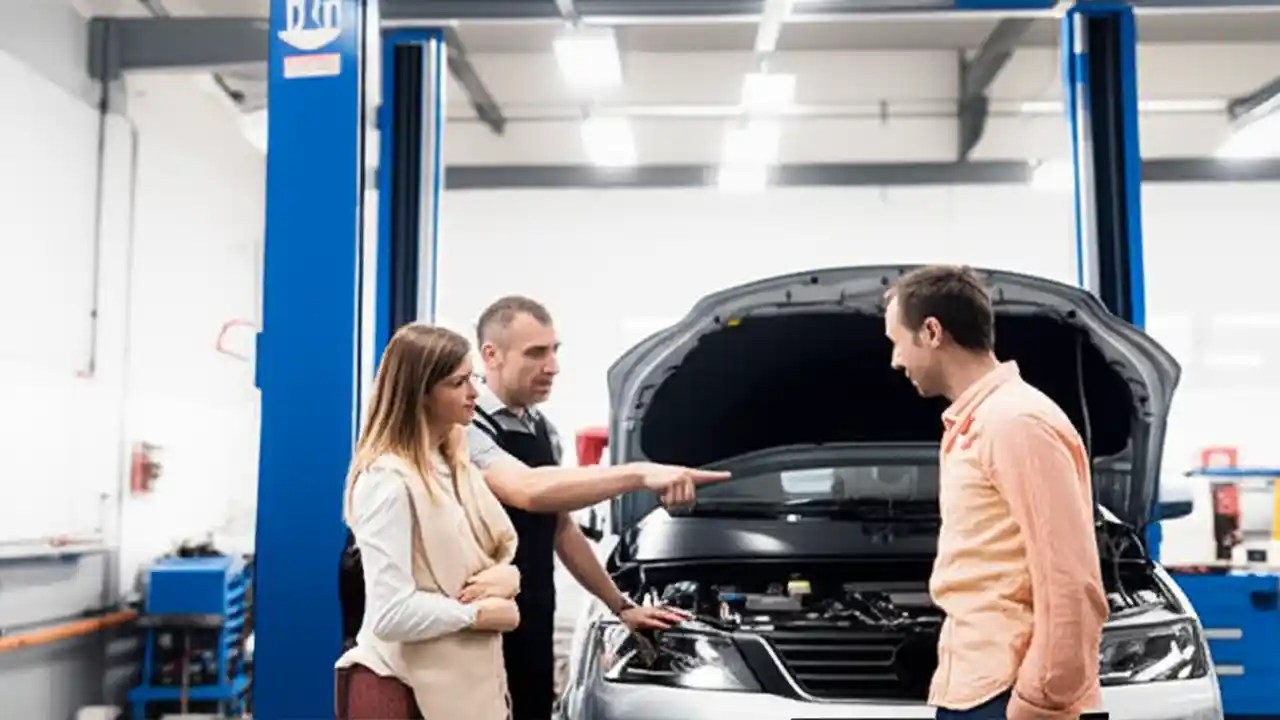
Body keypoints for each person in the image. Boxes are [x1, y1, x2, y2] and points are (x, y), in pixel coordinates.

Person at [467, 295, 725, 720]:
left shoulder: (541, 429)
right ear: (490, 355)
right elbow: (529, 490)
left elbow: (561, 529)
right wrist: (639, 474)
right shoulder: (467, 427)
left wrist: (621, 605)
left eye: (554, 351)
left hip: (534, 613)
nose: (552, 366)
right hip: (479, 622)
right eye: (536, 353)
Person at [882, 266, 1107, 720]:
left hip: (1009, 697)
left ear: (931, 331)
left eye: (896, 341)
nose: (895, 360)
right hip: (977, 687)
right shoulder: (982, 421)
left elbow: (1069, 577)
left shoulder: (1015, 424)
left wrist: (1042, 698)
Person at [335, 324, 522, 720]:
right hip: (408, 691)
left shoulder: (455, 466)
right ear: (420, 392)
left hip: (468, 690)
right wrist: (476, 614)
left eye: (472, 377)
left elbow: (486, 554)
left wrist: (509, 577)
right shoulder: (388, 481)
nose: (475, 392)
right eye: (459, 382)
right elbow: (390, 613)